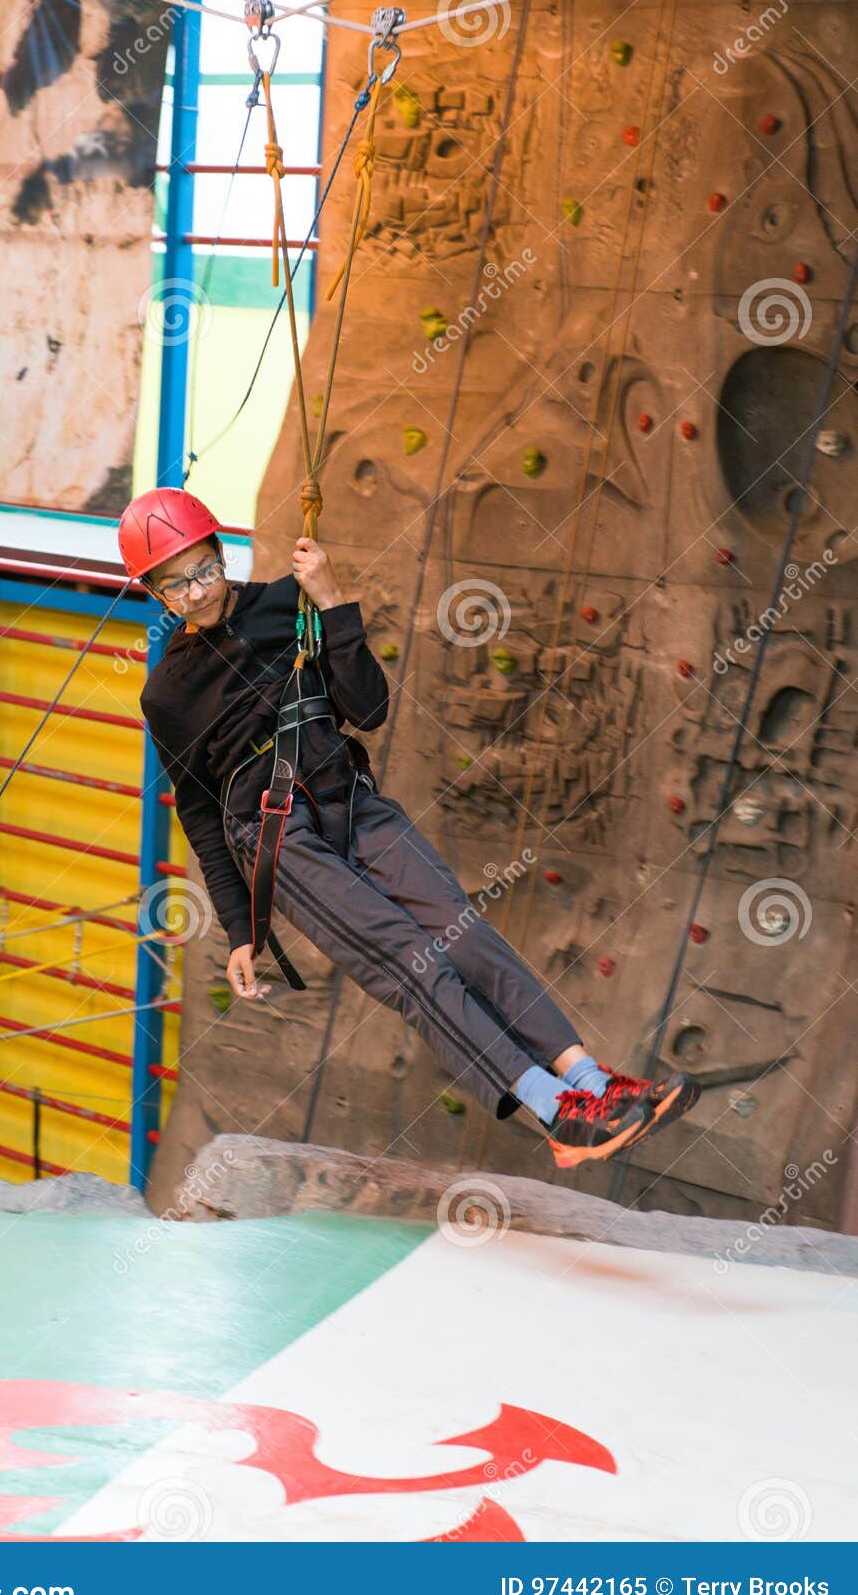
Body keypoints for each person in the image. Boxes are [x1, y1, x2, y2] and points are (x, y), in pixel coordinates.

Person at [123, 487, 699, 1170]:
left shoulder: (289, 600)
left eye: (203, 570)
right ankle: (554, 1112)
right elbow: (199, 811)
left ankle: (591, 1084)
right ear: (155, 594)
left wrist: (334, 602)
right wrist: (241, 931)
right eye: (175, 584)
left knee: (462, 931)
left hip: (349, 799)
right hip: (279, 838)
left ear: (222, 554)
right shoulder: (166, 695)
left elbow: (366, 708)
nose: (196, 592)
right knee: (411, 957)